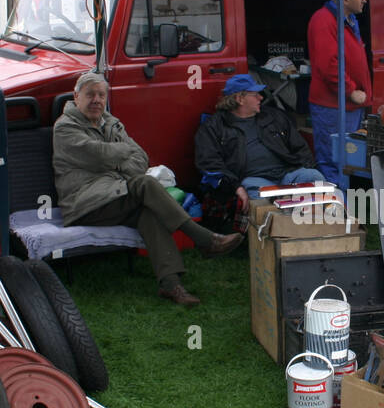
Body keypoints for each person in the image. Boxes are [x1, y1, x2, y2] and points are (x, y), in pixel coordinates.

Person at [53, 71, 243, 306]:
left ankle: (171, 285)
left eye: (101, 95)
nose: (96, 100)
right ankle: (203, 238)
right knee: (144, 183)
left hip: (115, 195)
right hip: (84, 203)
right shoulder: (64, 128)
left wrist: (115, 157)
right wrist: (122, 152)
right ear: (76, 96)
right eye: (90, 94)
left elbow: (141, 158)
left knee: (149, 213)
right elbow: (98, 155)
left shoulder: (110, 123)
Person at [194, 73, 328, 214]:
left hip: (287, 174)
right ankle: (287, 231)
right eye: (255, 95)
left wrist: (305, 167)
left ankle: (328, 227)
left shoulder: (274, 116)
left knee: (314, 177)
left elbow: (300, 148)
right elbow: (209, 163)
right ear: (240, 99)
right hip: (253, 180)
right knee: (269, 205)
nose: (261, 98)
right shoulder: (213, 127)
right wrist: (235, 187)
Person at [306, 0, 371, 189]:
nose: (365, 1)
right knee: (333, 158)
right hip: (333, 106)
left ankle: (345, 202)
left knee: (347, 155)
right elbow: (329, 65)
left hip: (347, 105)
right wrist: (351, 90)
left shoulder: (349, 20)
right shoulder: (323, 20)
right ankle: (335, 207)